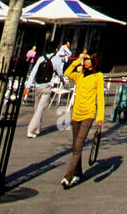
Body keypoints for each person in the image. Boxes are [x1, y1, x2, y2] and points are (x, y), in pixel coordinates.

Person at [61, 50, 104, 189]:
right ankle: (78, 173)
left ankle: (67, 176)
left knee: (78, 146)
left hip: (88, 114)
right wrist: (76, 61)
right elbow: (67, 73)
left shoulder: (98, 76)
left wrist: (100, 116)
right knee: (76, 147)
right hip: (76, 114)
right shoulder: (79, 76)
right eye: (85, 60)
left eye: (88, 60)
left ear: (94, 62)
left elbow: (100, 98)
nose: (86, 62)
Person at [24, 44, 63, 138]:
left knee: (37, 108)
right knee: (40, 109)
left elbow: (33, 71)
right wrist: (62, 80)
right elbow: (60, 73)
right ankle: (31, 129)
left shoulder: (41, 58)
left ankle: (37, 128)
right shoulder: (57, 59)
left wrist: (28, 86)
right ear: (55, 50)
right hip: (47, 86)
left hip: (38, 85)